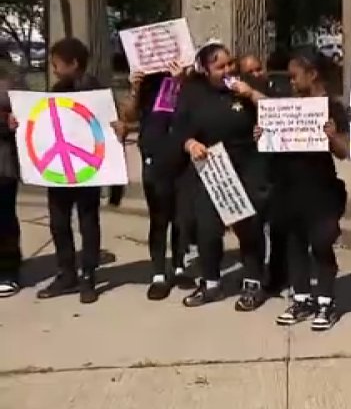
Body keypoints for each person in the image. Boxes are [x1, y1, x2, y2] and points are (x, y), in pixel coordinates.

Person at [171, 41, 270, 311]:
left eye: (230, 64)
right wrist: (190, 144)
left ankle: (253, 282)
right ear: (204, 69)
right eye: (219, 66)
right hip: (211, 167)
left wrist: (250, 94)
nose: (227, 70)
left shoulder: (244, 86)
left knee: (248, 225)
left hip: (246, 163)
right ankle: (211, 282)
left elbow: (275, 111)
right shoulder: (192, 92)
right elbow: (179, 128)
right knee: (207, 228)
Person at [12, 38, 108, 304]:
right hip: (59, 170)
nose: (53, 69)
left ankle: (88, 274)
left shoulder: (93, 90)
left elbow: (103, 125)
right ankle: (66, 273)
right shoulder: (56, 89)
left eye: (56, 64)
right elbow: (44, 121)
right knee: (58, 222)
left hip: (87, 169)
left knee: (88, 222)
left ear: (73, 64)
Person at [261, 47, 349, 330]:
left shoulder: (332, 108)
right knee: (294, 244)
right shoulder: (287, 107)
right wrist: (263, 136)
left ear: (312, 74)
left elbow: (344, 152)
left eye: (295, 76)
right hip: (288, 185)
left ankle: (326, 301)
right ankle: (301, 298)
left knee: (321, 243)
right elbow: (273, 145)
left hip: (321, 187)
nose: (291, 82)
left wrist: (333, 137)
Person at [116, 63, 196, 300]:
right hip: (155, 156)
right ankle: (159, 273)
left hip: (182, 155)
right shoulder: (146, 86)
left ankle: (180, 265)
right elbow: (127, 116)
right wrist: (135, 88)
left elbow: (193, 108)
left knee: (182, 215)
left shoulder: (184, 81)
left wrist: (180, 81)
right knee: (159, 218)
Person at [238, 53, 291, 296]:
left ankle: (279, 277)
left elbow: (279, 110)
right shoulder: (235, 99)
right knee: (253, 227)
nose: (257, 75)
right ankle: (254, 276)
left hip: (279, 168)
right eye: (250, 73)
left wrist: (252, 93)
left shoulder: (277, 89)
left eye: (259, 69)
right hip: (252, 169)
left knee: (280, 226)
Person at [0, 62, 26, 297]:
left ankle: (8, 270)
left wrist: (11, 121)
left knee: (4, 218)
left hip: (3, 162)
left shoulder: (10, 80)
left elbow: (26, 111)